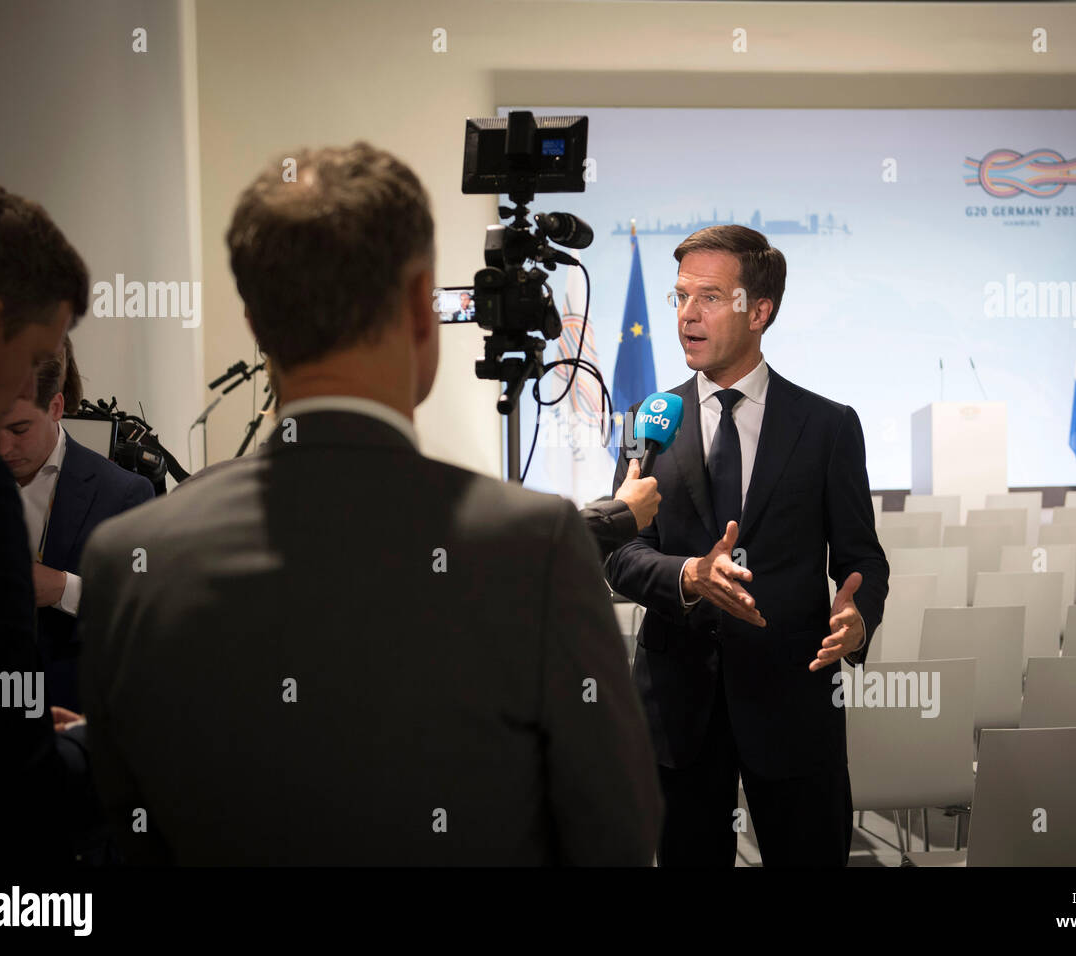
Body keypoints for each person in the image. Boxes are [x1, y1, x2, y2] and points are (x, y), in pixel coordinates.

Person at [78, 142, 662, 865]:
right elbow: (617, 835)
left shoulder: (125, 562)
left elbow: (125, 831)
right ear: (424, 308)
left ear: (257, 324)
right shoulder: (535, 548)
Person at [605, 225, 889, 867]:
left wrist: (858, 615)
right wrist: (687, 576)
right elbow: (622, 554)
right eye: (679, 296)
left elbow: (861, 559)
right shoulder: (646, 421)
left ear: (759, 311)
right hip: (676, 712)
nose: (686, 314)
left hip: (793, 705)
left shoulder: (828, 427)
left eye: (709, 296)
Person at [0, 183, 95, 864]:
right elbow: (3, 781)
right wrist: (85, 747)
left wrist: (19, 719)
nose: (36, 385)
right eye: (37, 353)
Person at [0, 338, 155, 712]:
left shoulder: (123, 493)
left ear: (55, 407)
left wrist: (63, 589)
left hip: (73, 717)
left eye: (18, 430)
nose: (2, 447)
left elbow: (146, 612)